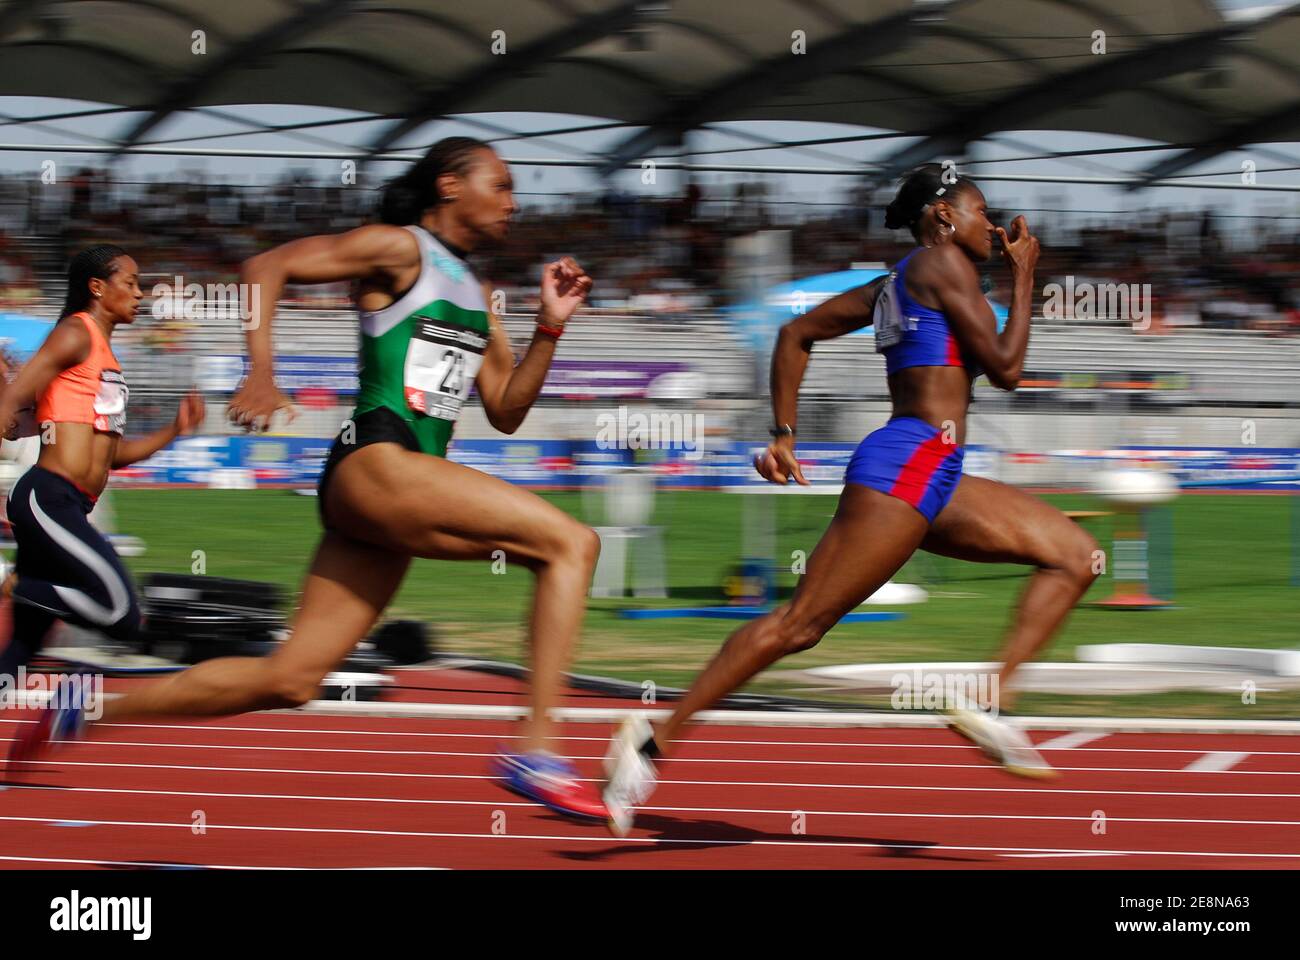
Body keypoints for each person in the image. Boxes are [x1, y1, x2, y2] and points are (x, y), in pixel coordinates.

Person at [14, 139, 607, 820]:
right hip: (378, 462)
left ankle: (86, 708)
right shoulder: (400, 248)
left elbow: (505, 410)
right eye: (500, 185)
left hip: (395, 492)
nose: (513, 201)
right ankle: (536, 747)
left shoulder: (479, 298)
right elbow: (268, 265)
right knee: (571, 544)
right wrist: (260, 371)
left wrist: (550, 331)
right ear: (449, 186)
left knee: (291, 678)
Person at [602, 164, 1101, 835]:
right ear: (944, 217)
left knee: (1075, 554)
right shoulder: (944, 264)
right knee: (800, 626)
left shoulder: (893, 282)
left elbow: (795, 334)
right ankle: (652, 741)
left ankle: (992, 702)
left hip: (934, 470)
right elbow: (1008, 371)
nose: (994, 224)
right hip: (909, 465)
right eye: (981, 211)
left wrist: (784, 435)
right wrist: (1025, 273)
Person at [0, 245, 203, 704]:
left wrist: (174, 430)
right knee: (120, 612)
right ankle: (14, 584)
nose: (139, 293)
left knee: (20, 651)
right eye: (130, 283)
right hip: (47, 498)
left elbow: (112, 456)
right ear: (97, 287)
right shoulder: (75, 333)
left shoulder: (106, 357)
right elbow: (11, 401)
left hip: (69, 505)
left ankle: (26, 595)